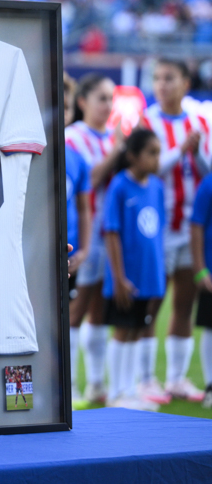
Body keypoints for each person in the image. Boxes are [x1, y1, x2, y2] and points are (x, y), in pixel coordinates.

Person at [140, 58, 209, 402]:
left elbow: (206, 172)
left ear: (185, 82)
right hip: (157, 228)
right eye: (157, 78)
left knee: (184, 303)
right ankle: (146, 379)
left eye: (169, 78)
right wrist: (179, 152)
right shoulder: (147, 122)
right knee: (152, 302)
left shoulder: (200, 122)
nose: (161, 84)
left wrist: (194, 155)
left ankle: (177, 379)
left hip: (190, 228)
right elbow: (143, 169)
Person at [64, 73, 120, 405]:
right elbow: (92, 179)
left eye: (111, 99)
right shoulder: (74, 138)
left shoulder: (112, 136)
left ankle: (96, 383)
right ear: (83, 102)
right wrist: (121, 152)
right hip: (78, 238)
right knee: (75, 310)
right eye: (102, 98)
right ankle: (68, 385)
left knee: (99, 310)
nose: (108, 105)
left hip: (104, 235)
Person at [103, 127, 166, 411]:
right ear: (132, 156)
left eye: (158, 153)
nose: (157, 160)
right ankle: (115, 392)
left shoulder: (157, 187)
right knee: (122, 330)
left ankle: (129, 389)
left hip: (148, 275)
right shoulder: (118, 186)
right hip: (126, 277)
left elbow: (157, 233)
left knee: (138, 329)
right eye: (151, 153)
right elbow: (111, 232)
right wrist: (118, 277)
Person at [63, 73, 92, 401]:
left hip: (69, 254)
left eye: (67, 105)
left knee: (68, 319)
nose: (63, 110)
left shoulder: (77, 159)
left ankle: (68, 387)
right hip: (35, 253)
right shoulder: (33, 154)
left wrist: (83, 250)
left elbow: (84, 209)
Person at [189, 166, 212, 407]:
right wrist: (200, 268)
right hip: (211, 269)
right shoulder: (208, 184)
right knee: (210, 327)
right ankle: (210, 386)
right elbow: (196, 225)